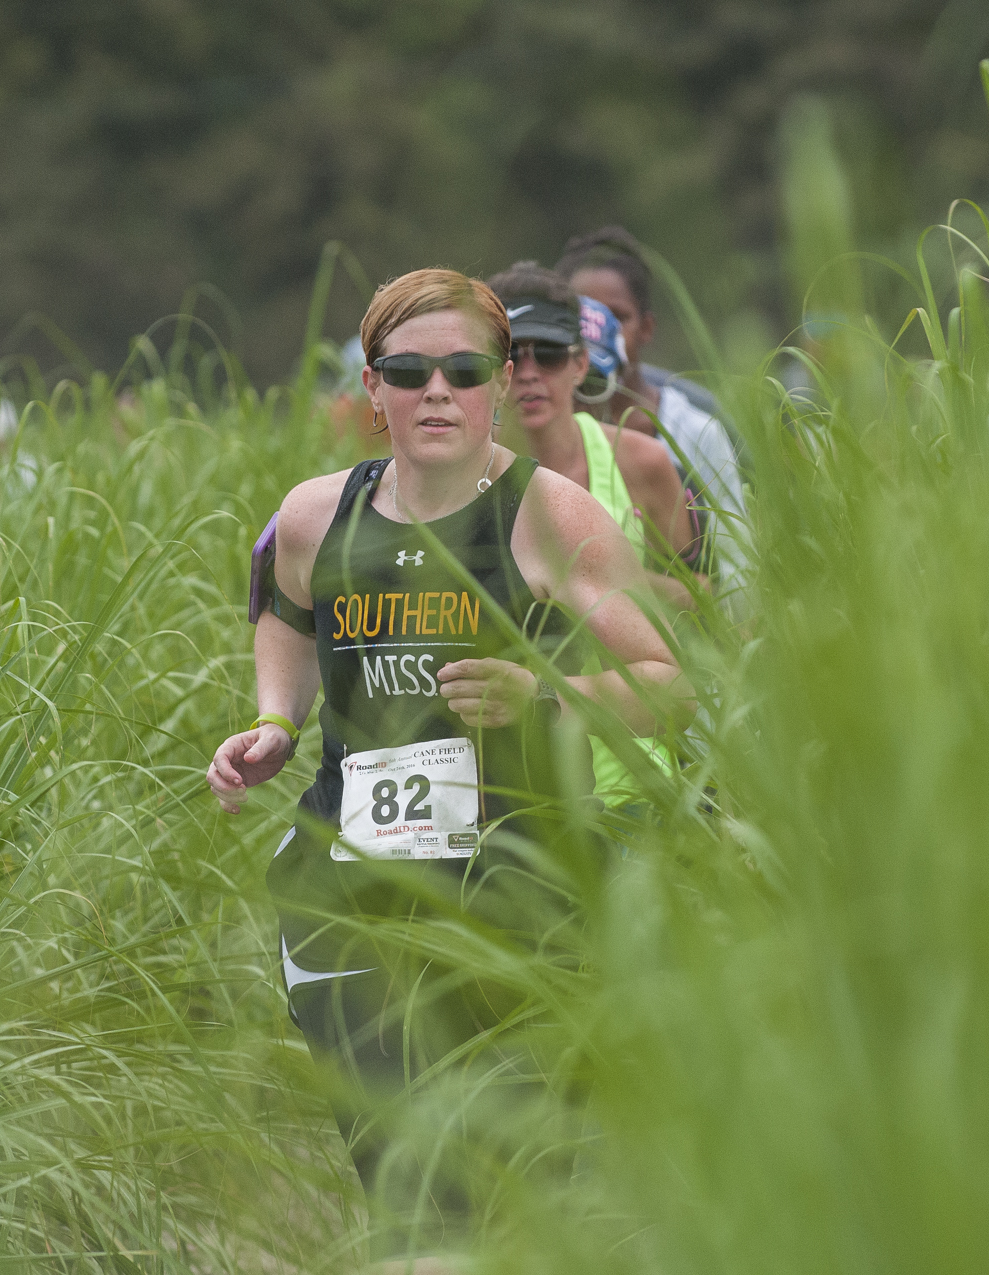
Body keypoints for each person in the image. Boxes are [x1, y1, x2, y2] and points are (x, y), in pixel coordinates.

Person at [206, 268, 687, 1262]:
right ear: (372, 390)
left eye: (463, 371)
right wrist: (274, 726)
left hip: (518, 889)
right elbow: (287, 615)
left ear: (502, 382)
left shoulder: (551, 518)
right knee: (406, 1171)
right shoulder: (313, 517)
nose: (437, 393)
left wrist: (542, 696)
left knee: (512, 1169)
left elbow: (665, 682)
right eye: (408, 371)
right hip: (350, 887)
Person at [487, 261, 698, 811]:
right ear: (493, 373)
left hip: (630, 760)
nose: (531, 374)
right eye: (515, 356)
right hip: (505, 766)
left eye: (550, 354)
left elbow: (699, 599)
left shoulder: (641, 461)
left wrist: (601, 576)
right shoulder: (459, 478)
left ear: (580, 363)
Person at [557, 227, 750, 597]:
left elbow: (735, 561)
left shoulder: (694, 430)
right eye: (581, 319)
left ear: (646, 328)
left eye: (617, 316)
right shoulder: (544, 425)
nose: (599, 334)